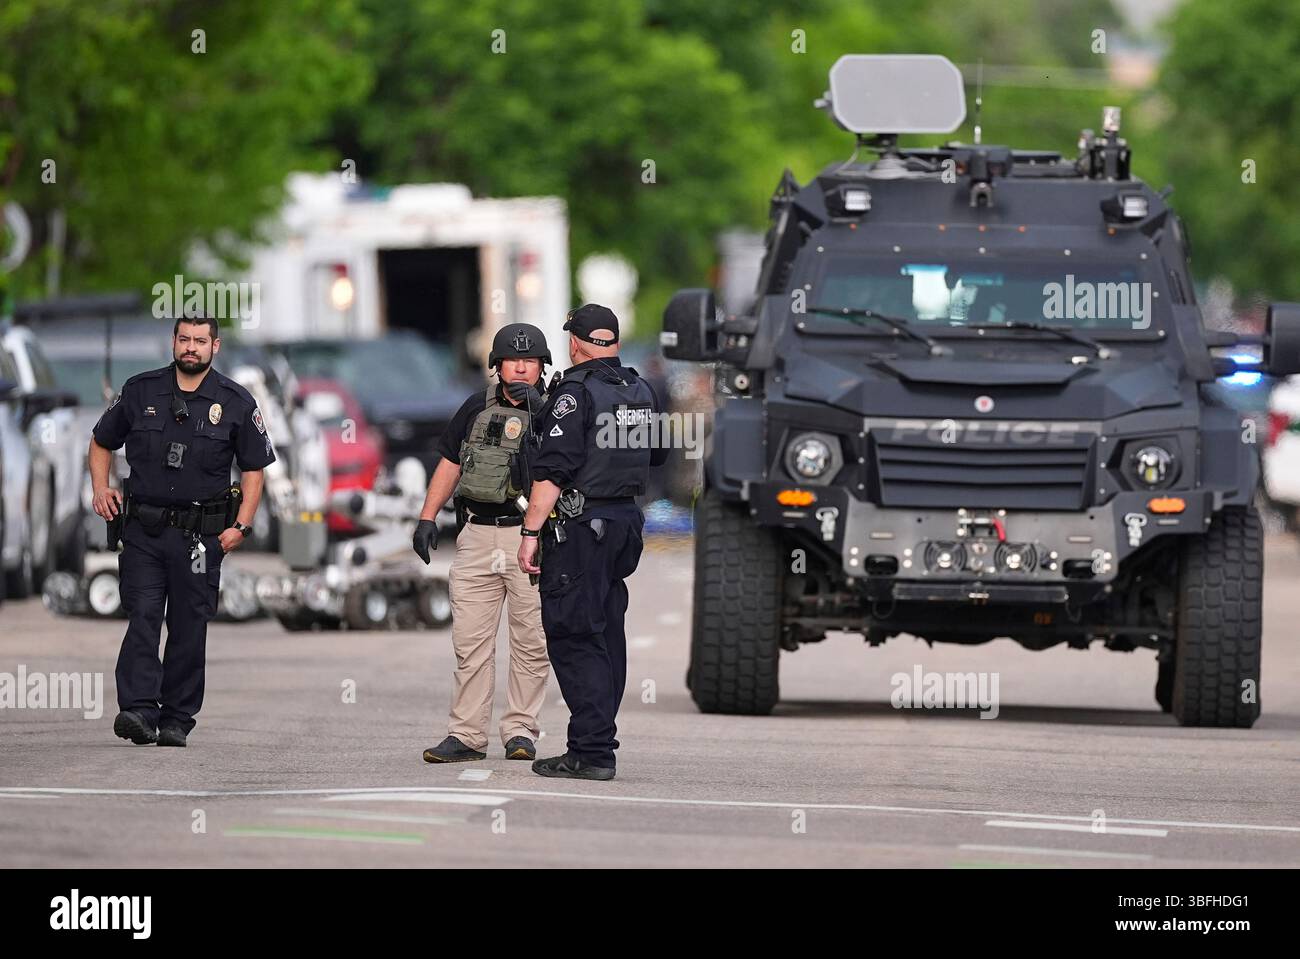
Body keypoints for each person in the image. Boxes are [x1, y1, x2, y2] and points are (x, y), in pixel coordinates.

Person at [89, 314, 274, 747]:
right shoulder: (140, 391)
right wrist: (101, 490)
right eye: (184, 339)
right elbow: (101, 441)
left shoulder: (235, 401)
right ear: (173, 342)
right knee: (143, 616)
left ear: (216, 347)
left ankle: (176, 717)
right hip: (144, 531)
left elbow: (254, 470)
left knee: (190, 625)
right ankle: (137, 709)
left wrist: (241, 526)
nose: (191, 347)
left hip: (200, 537)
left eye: (200, 341)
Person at [518, 304, 668, 780]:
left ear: (575, 343)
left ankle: (592, 751)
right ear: (615, 342)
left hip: (582, 528)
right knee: (605, 633)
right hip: (625, 522)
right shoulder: (641, 389)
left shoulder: (574, 394)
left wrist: (529, 532)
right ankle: (596, 742)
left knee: (573, 633)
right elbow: (659, 454)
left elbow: (553, 472)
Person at [414, 323, 552, 763]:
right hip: (475, 534)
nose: (521, 368)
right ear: (497, 365)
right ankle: (467, 735)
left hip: (528, 537)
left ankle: (520, 731)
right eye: (513, 360)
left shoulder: (557, 411)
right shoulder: (476, 407)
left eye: (530, 361)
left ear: (542, 366)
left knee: (531, 640)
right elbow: (451, 462)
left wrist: (542, 418)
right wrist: (426, 517)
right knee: (470, 642)